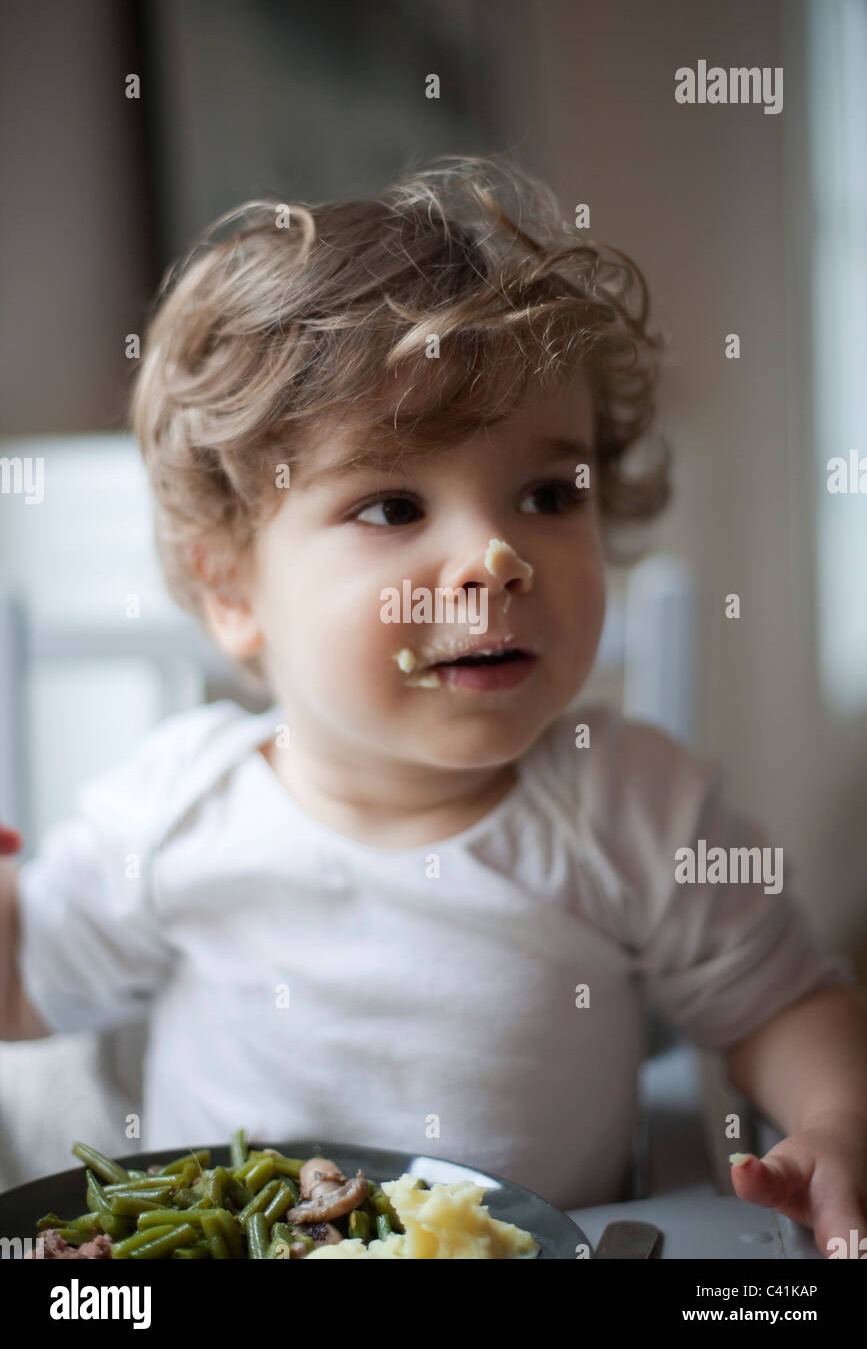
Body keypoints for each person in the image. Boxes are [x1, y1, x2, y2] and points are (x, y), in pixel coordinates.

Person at [1, 155, 865, 1254]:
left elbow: (783, 1002)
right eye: (393, 506)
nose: (497, 558)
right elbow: (25, 984)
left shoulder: (631, 803)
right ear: (230, 586)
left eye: (547, 494)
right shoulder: (174, 806)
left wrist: (836, 1125)